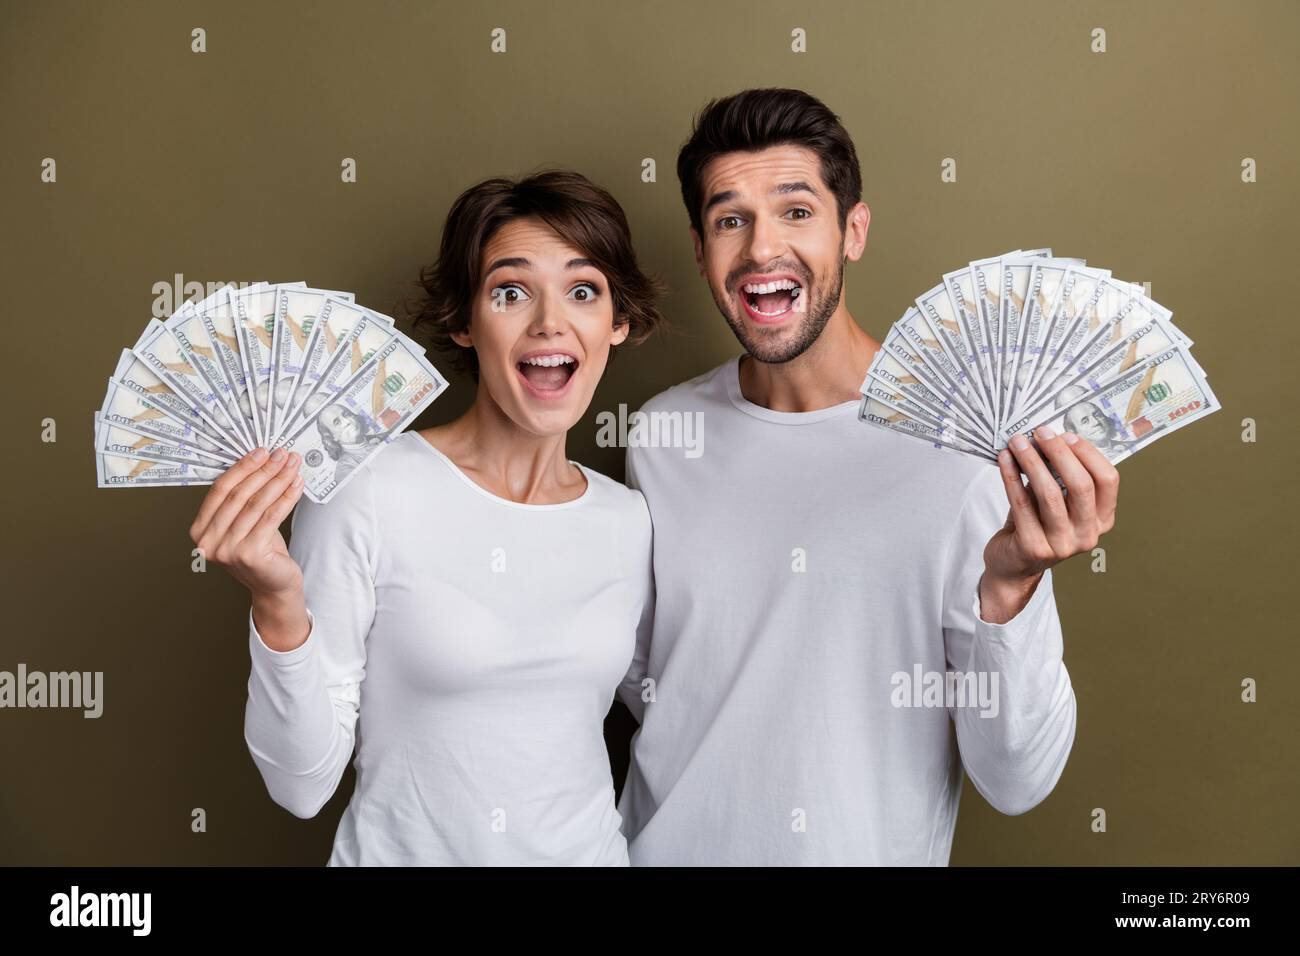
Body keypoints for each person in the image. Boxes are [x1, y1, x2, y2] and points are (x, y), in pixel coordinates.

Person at [615, 88, 1121, 865]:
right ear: (700, 248)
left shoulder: (969, 447)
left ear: (852, 231)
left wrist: (1011, 587)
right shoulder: (658, 437)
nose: (760, 250)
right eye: (730, 220)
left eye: (795, 210)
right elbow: (646, 680)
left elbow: (1017, 781)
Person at [189, 169, 664, 865]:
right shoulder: (370, 488)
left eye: (583, 291)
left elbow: (678, 715)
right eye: (510, 291)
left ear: (616, 324)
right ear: (463, 322)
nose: (549, 322)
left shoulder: (630, 521)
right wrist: (277, 603)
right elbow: (301, 785)